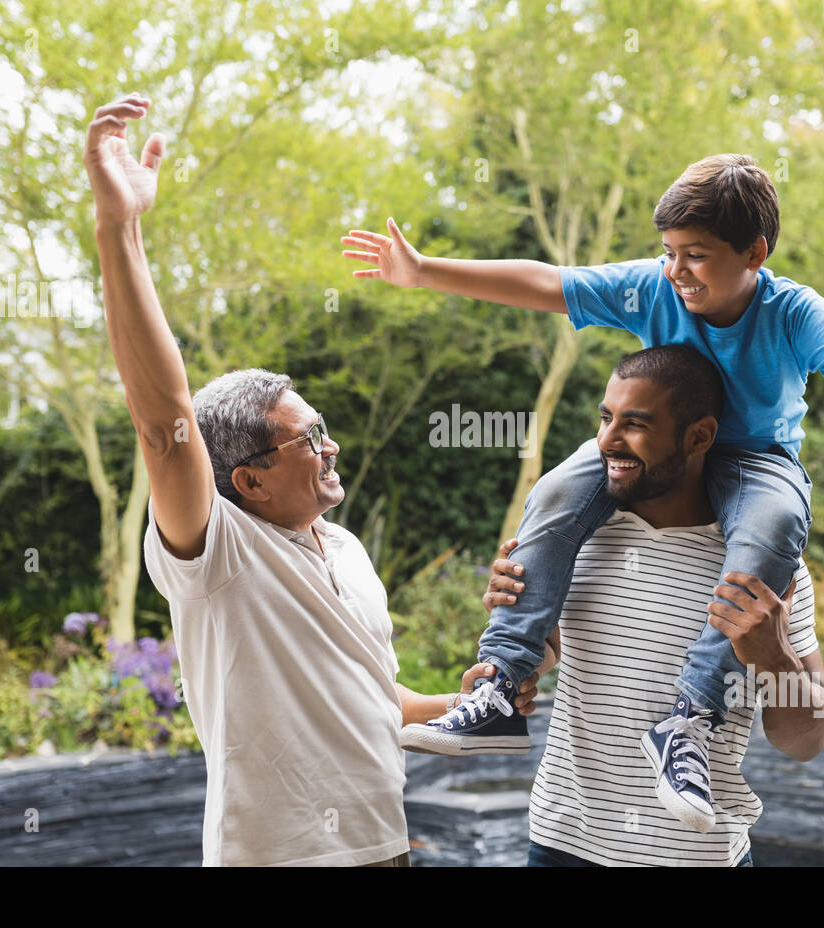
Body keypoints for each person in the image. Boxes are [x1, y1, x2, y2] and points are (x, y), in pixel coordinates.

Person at [343, 154, 824, 833]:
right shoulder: (653, 287)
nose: (676, 270)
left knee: (775, 523)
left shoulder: (791, 311)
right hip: (656, 452)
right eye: (669, 251)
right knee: (557, 489)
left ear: (754, 252)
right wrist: (425, 271)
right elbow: (550, 283)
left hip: (754, 462)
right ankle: (500, 683)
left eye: (696, 254)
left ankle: (689, 718)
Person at [84, 93, 540, 866]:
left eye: (322, 428)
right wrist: (118, 228)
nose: (331, 448)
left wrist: (478, 703)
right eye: (308, 439)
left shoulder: (348, 551)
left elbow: (376, 703)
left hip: (384, 848)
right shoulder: (217, 552)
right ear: (250, 480)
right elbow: (164, 423)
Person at [487, 345, 824, 865]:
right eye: (605, 418)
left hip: (695, 856)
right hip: (561, 845)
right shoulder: (574, 537)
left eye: (635, 424)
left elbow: (804, 742)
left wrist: (773, 658)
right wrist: (512, 646)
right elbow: (552, 652)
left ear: (699, 436)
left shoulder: (766, 569)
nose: (607, 440)